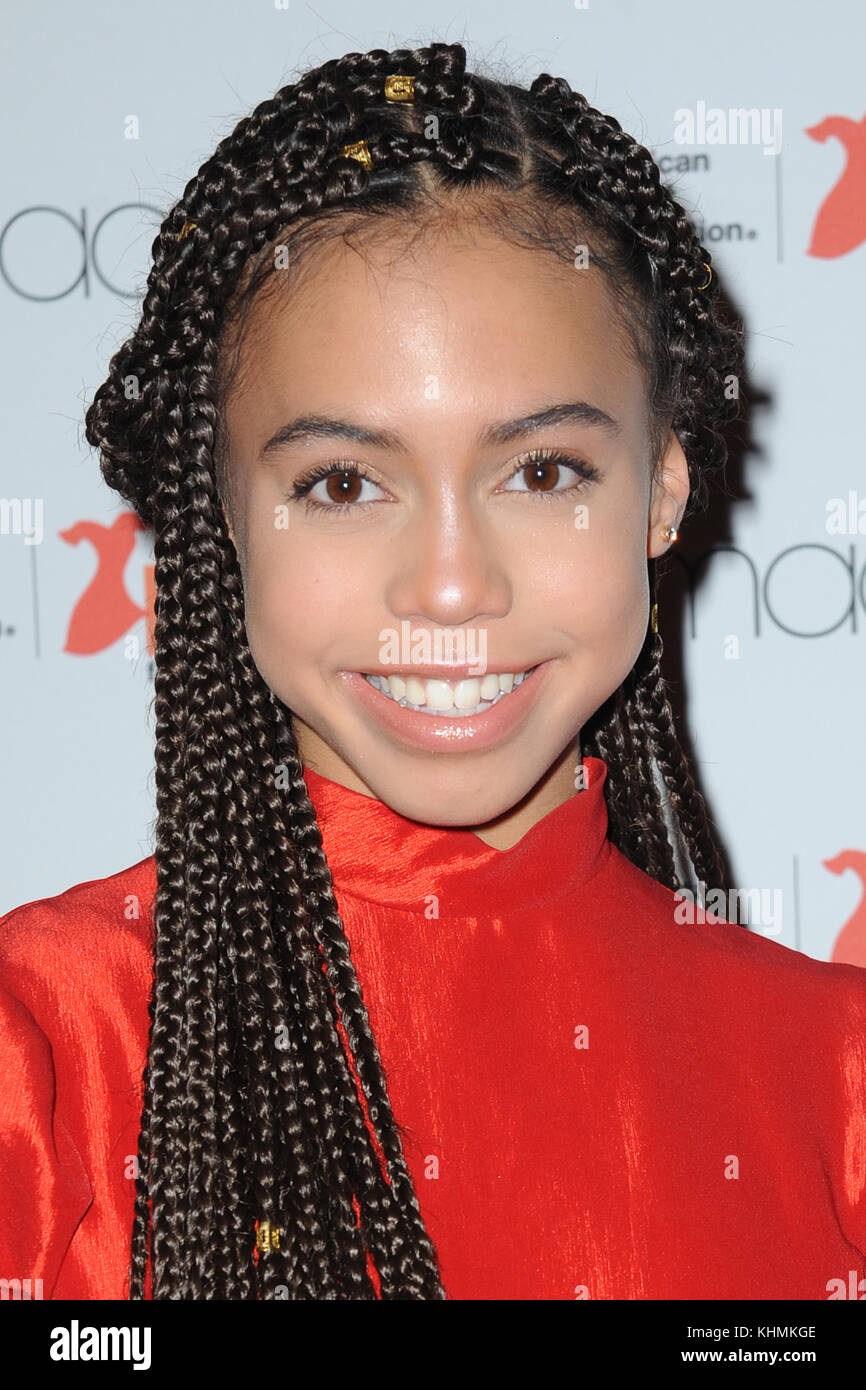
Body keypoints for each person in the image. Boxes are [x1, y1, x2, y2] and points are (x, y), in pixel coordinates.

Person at [1, 40, 864, 1302]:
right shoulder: (45, 1044)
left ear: (662, 487)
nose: (451, 585)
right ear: (223, 515)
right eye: (341, 484)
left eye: (542, 470)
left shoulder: (833, 1077)